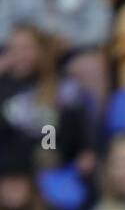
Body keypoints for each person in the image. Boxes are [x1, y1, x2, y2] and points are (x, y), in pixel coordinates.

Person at [0, 0, 112, 113]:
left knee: (92, 68)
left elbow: (101, 27)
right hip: (26, 50)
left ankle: (93, 130)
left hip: (70, 52)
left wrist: (71, 41)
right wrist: (19, 44)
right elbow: (2, 24)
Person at [0, 23, 95, 174]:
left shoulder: (60, 85)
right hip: (11, 166)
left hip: (51, 158)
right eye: (14, 49)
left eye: (26, 48)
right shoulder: (4, 85)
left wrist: (86, 149)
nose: (20, 55)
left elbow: (65, 125)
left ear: (40, 51)